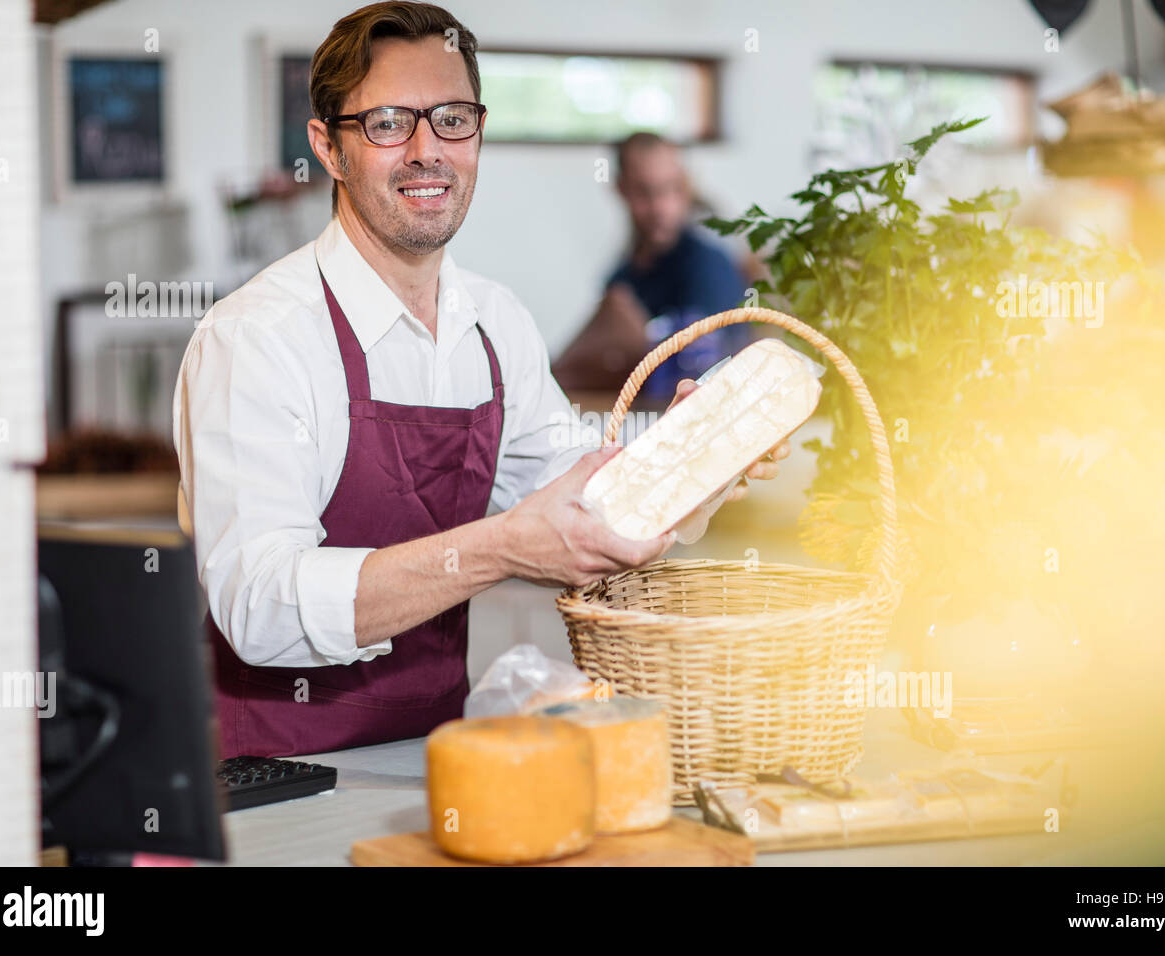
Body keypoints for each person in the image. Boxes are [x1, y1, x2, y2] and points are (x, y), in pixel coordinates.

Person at [172, 2, 788, 760]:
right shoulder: (258, 337)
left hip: (439, 763)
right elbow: (258, 606)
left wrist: (696, 458)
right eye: (390, 122)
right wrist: (497, 551)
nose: (429, 151)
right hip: (272, 780)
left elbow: (590, 507)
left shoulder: (496, 325)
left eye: (454, 119)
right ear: (328, 148)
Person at [552, 132, 754, 396]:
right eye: (644, 192)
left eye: (672, 189)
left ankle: (546, 385)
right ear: (621, 189)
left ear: (686, 187)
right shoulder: (623, 274)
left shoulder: (706, 262)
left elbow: (708, 368)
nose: (661, 207)